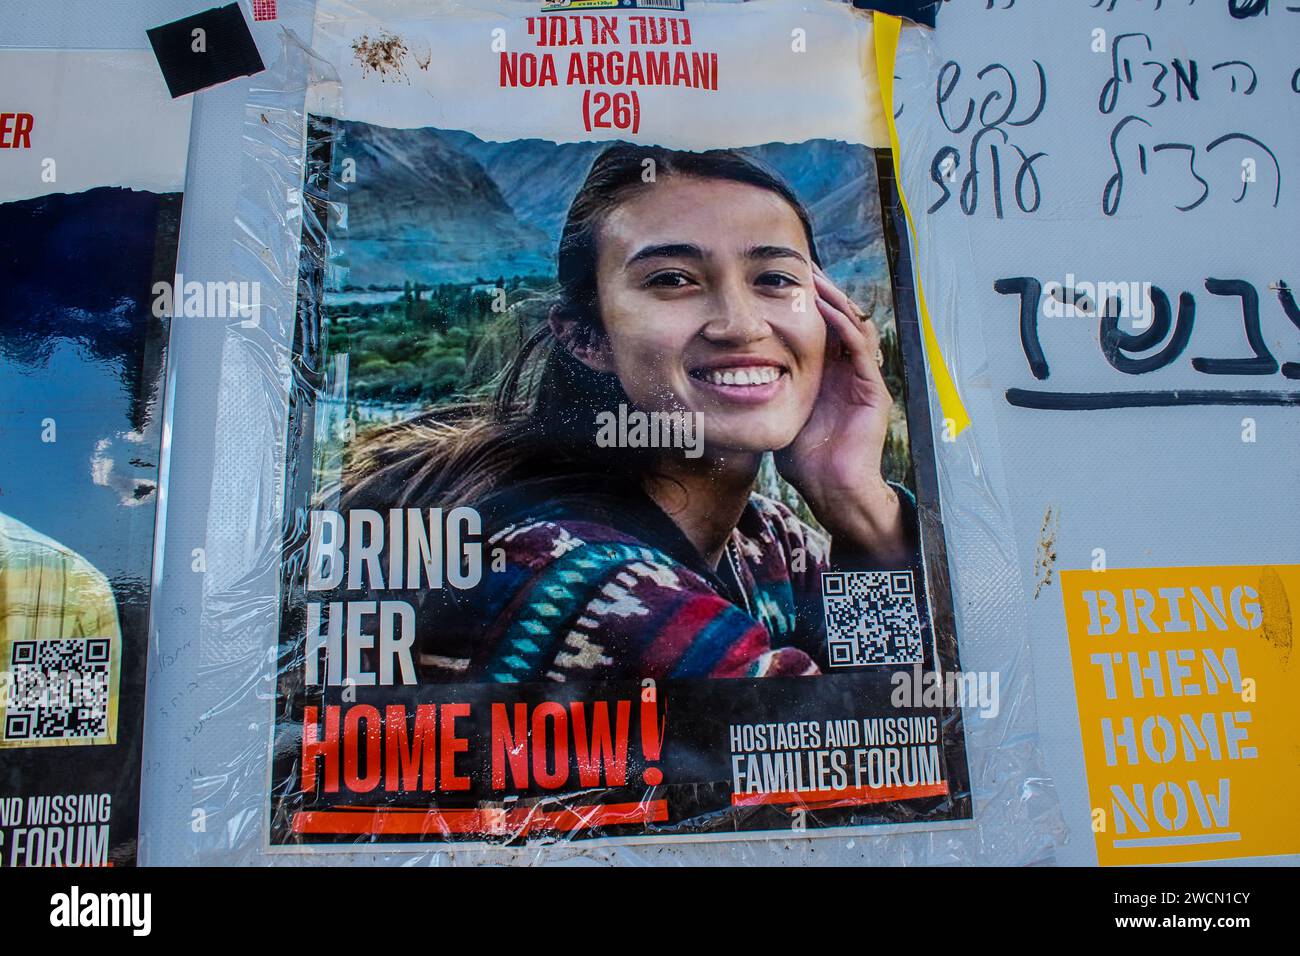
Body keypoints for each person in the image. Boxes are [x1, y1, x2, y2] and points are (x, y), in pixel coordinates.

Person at [338, 145, 918, 682]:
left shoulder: (764, 542)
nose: (741, 324)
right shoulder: (589, 586)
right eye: (672, 280)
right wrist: (873, 539)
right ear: (588, 337)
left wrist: (860, 510)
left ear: (834, 321)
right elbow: (893, 761)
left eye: (775, 279)